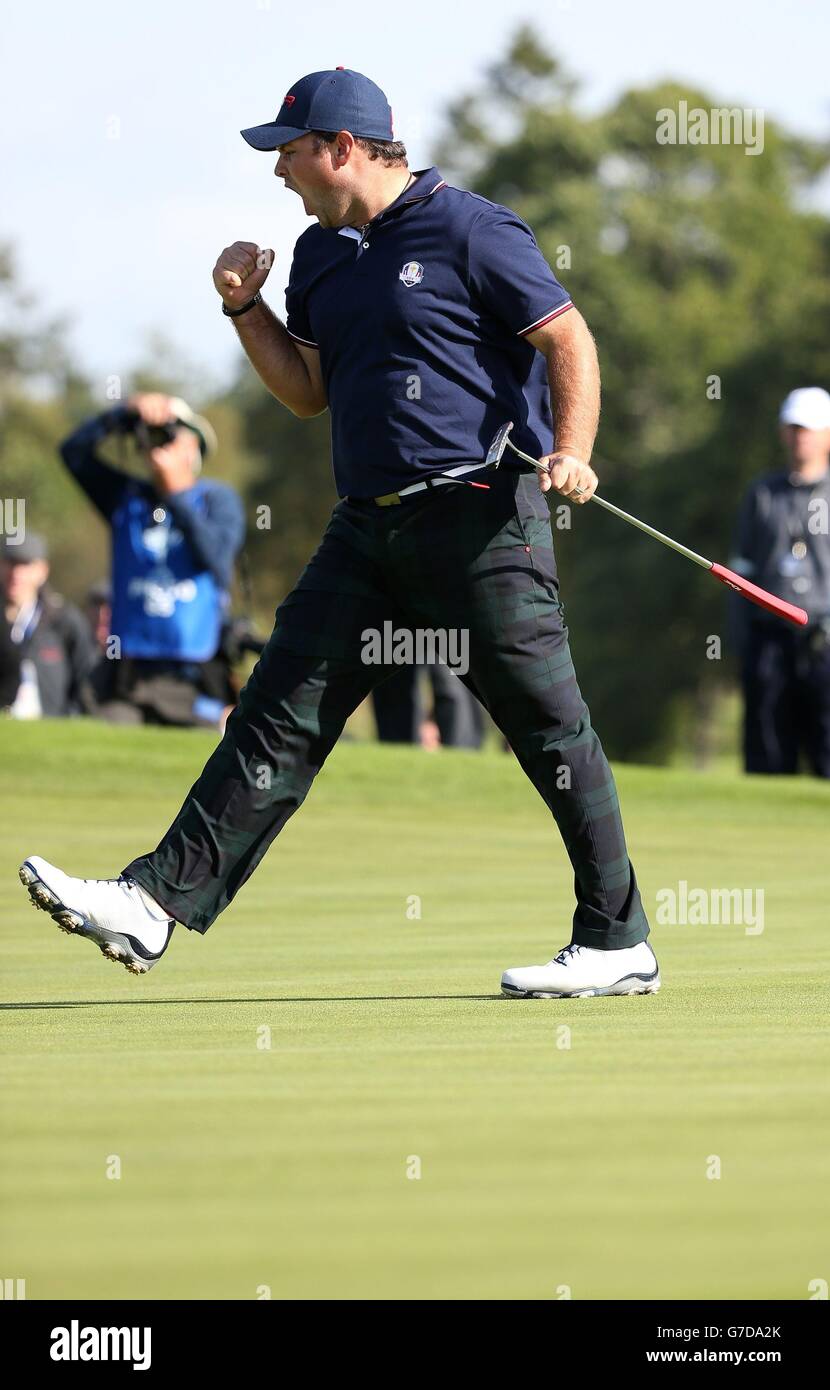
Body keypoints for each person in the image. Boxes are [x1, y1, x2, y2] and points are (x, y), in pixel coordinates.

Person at [20, 67, 658, 999]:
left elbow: (566, 339)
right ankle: (152, 905)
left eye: (288, 153)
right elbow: (306, 392)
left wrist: (573, 448)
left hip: (480, 518)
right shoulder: (317, 255)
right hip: (367, 529)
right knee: (275, 716)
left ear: (343, 149)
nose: (278, 172)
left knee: (549, 732)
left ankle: (616, 940)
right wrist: (246, 309)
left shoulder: (472, 228)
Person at [59, 393, 245, 728]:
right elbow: (72, 453)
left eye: (172, 436)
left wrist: (176, 495)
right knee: (105, 740)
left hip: (193, 673)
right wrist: (123, 414)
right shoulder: (127, 498)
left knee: (205, 761)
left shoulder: (217, 499)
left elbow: (216, 562)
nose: (159, 445)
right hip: (129, 671)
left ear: (194, 448)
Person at [730, 387, 830, 777]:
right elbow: (742, 572)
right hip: (768, 640)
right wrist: (740, 641)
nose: (799, 436)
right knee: (767, 747)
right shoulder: (762, 492)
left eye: (808, 428)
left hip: (824, 642)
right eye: (793, 427)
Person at [1, 533, 96, 717]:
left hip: (51, 728)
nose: (16, 574)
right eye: (11, 563)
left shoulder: (64, 621)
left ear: (42, 570)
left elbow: (85, 680)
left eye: (25, 565)